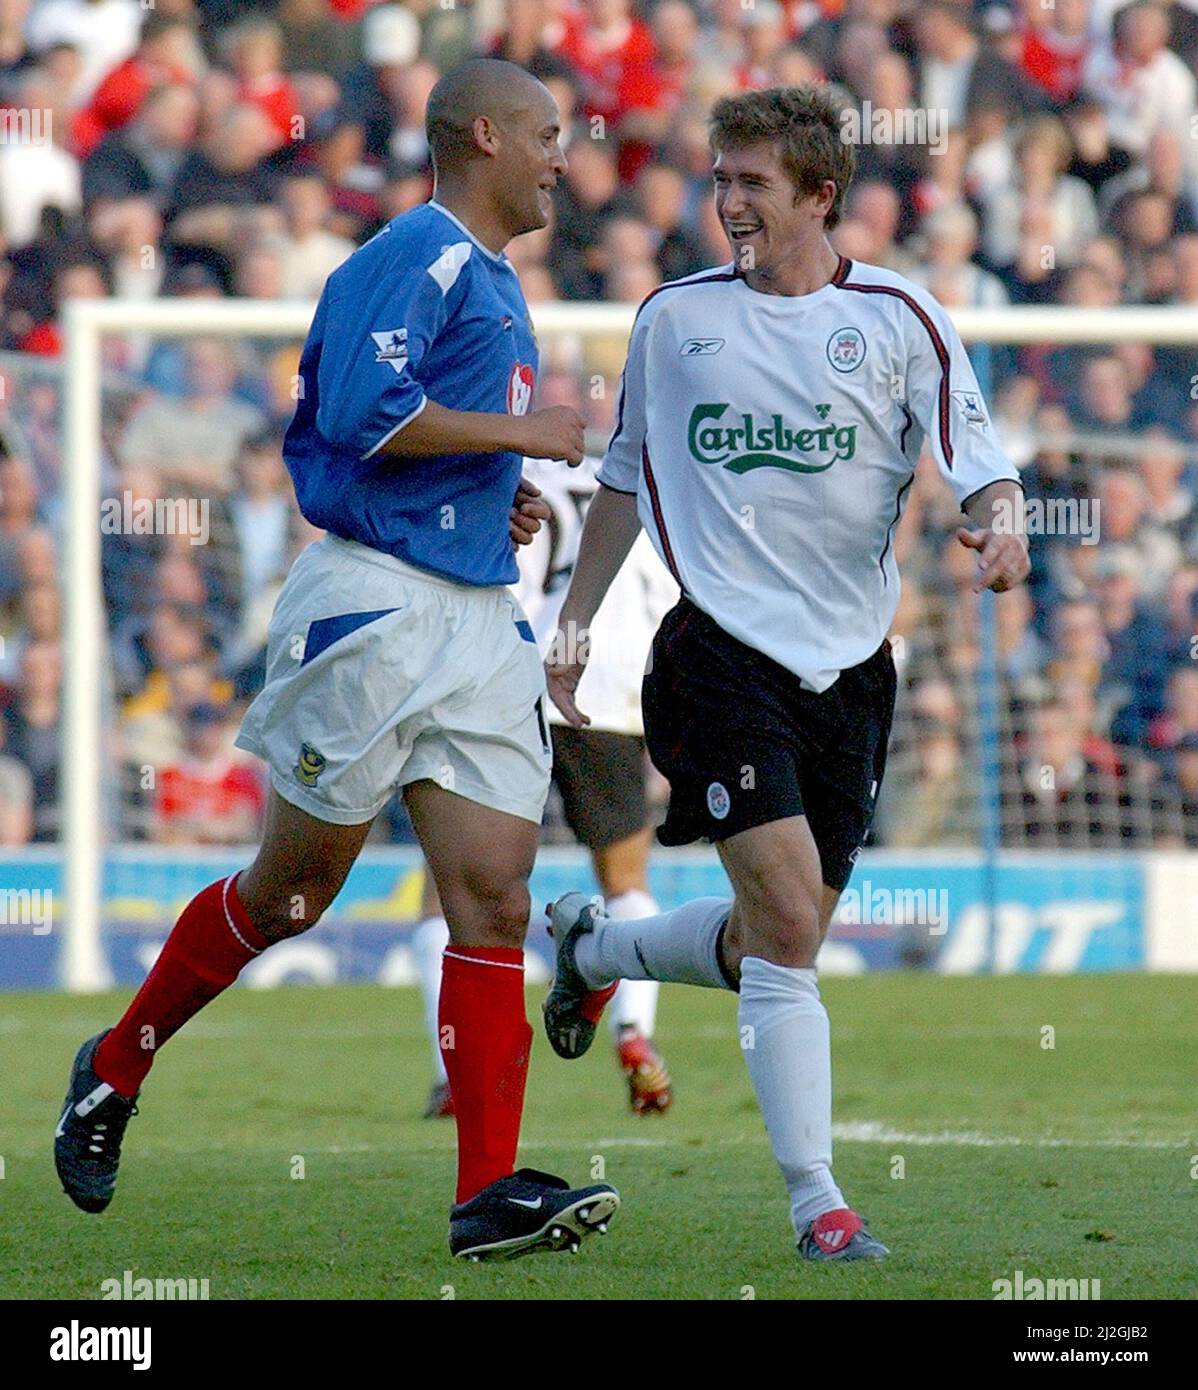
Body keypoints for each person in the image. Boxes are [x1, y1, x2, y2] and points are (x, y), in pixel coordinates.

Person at [55, 58, 621, 1264]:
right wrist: (523, 432)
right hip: (370, 611)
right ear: (484, 135)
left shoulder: (493, 279)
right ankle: (114, 1065)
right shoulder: (407, 255)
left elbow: (415, 439)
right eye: (547, 135)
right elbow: (366, 409)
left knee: (496, 897)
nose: (562, 158)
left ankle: (485, 1196)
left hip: (473, 617)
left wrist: (492, 489)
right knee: (294, 893)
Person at [540, 85, 1029, 1262]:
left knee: (781, 933)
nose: (728, 202)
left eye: (752, 183)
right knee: (790, 918)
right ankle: (819, 1205)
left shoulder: (904, 319)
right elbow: (618, 479)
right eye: (720, 179)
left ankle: (593, 948)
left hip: (852, 669)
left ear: (820, 193)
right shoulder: (672, 321)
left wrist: (1004, 524)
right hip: (715, 654)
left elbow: (983, 464)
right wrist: (574, 623)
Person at [414, 452, 678, 1120]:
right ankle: (634, 1032)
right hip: (609, 688)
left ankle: (455, 1070)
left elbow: (487, 576)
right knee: (624, 873)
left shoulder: (506, 470)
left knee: (447, 886)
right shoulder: (641, 479)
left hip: (511, 678)